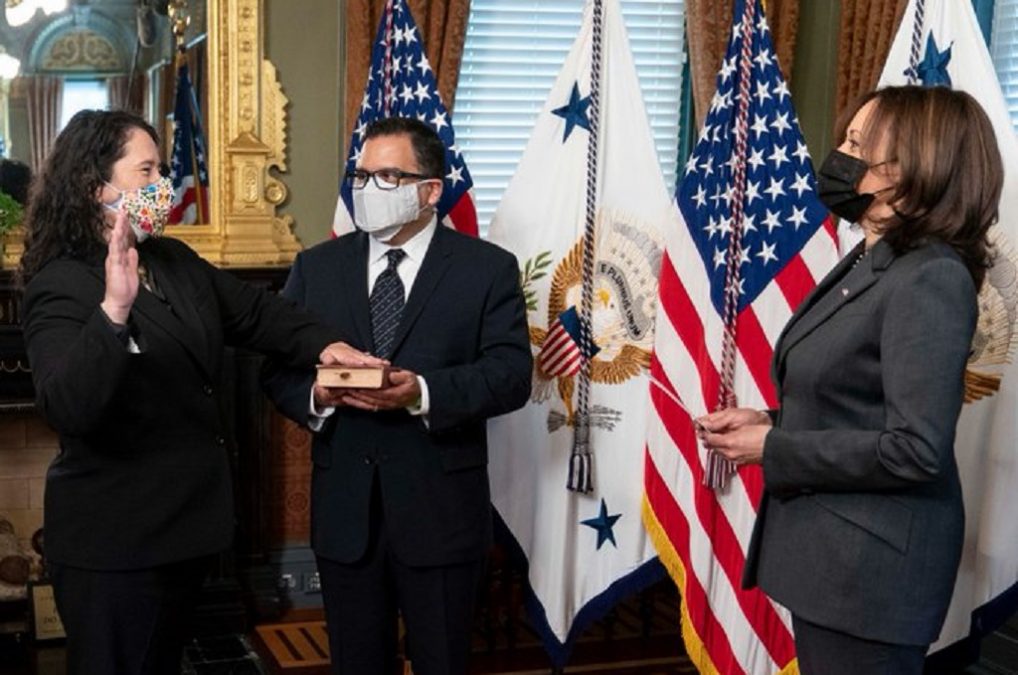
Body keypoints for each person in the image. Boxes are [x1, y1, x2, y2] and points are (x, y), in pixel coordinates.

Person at [19, 109, 355, 674]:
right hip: (116, 546)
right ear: (93, 185)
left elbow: (258, 314)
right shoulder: (62, 282)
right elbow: (67, 405)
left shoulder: (172, 259)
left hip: (185, 533)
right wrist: (115, 310)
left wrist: (329, 347)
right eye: (145, 171)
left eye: (161, 170)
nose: (161, 186)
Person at [697, 85, 1003, 674]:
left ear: (917, 167)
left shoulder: (929, 278)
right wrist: (771, 421)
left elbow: (914, 449)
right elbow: (859, 403)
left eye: (858, 144)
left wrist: (775, 448)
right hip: (835, 568)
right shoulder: (878, 258)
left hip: (869, 580)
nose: (838, 154)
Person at [262, 116, 532, 675]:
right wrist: (317, 394)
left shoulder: (486, 270)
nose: (366, 190)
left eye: (386, 177)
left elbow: (510, 375)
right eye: (360, 177)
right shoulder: (318, 267)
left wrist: (422, 393)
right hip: (346, 515)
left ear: (430, 191)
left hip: (441, 512)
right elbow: (276, 371)